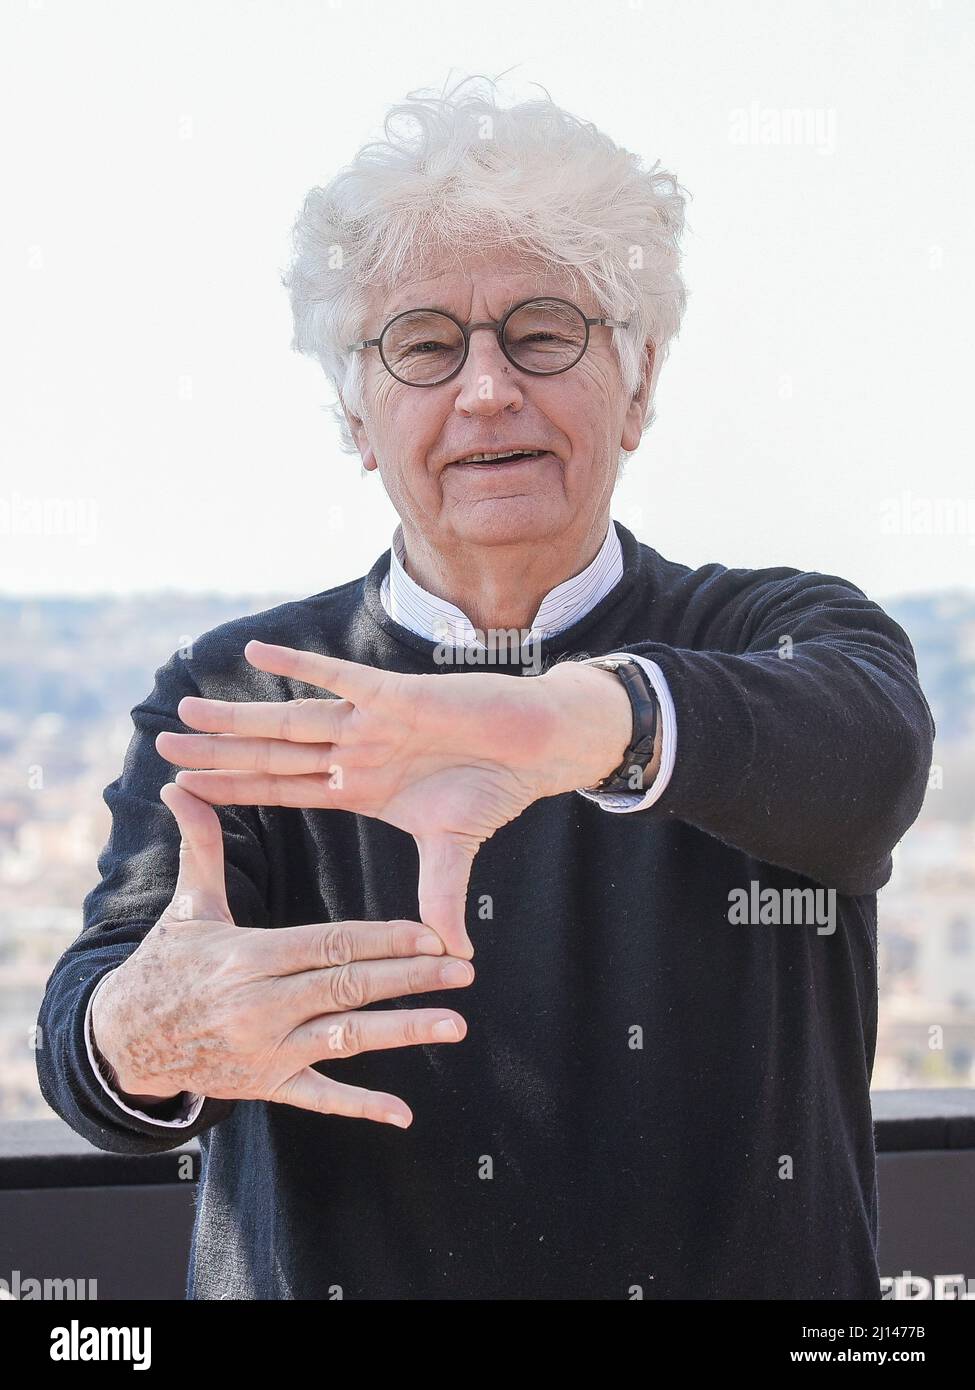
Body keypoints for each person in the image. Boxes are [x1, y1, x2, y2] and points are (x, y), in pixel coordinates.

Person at [36, 76, 935, 1300]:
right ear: (359, 412)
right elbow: (94, 1033)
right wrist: (143, 1030)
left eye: (545, 329)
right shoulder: (238, 693)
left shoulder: (784, 633)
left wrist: (566, 721)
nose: (486, 389)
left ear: (641, 379)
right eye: (422, 343)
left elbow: (867, 764)